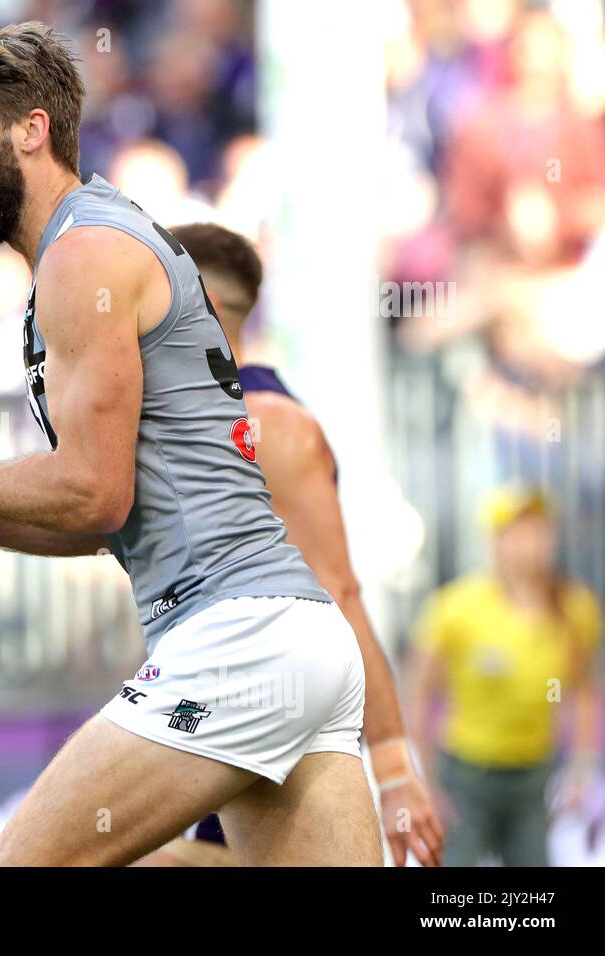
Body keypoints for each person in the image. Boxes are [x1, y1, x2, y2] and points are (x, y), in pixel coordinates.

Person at [0, 22, 381, 866]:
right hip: (298, 645)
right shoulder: (84, 251)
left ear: (31, 130)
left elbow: (92, 494)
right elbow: (99, 517)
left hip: (236, 639)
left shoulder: (83, 256)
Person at [131, 223, 444, 867]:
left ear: (200, 308)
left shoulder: (271, 427)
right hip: (222, 713)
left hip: (272, 725)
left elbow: (341, 590)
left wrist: (393, 768)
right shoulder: (194, 420)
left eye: (145, 299)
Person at [405, 487, 601, 866]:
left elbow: (586, 691)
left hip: (534, 776)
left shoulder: (576, 609)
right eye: (519, 531)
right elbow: (417, 692)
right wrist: (424, 782)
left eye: (540, 530)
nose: (532, 543)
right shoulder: (457, 608)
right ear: (496, 541)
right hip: (466, 776)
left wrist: (582, 768)